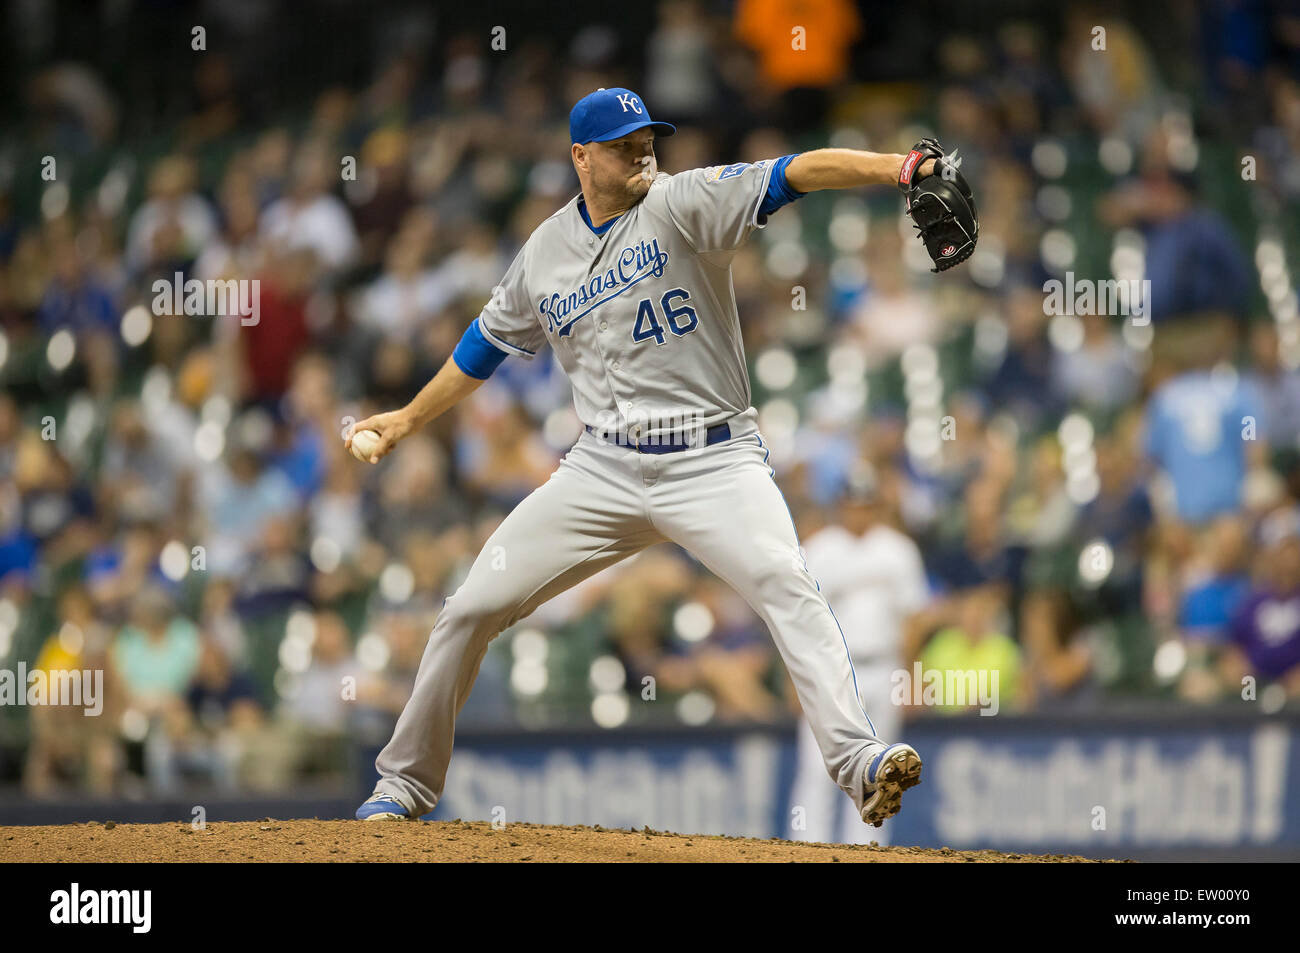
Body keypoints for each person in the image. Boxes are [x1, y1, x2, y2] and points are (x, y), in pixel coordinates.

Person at [349, 87, 946, 829]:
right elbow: (482, 346)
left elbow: (795, 172)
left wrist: (898, 166)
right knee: (470, 606)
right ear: (580, 156)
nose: (642, 150)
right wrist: (406, 418)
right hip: (601, 469)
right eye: (623, 142)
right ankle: (401, 787)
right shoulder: (544, 252)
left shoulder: (684, 202)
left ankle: (856, 759)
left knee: (786, 582)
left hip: (714, 459)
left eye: (647, 138)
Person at [789, 464, 930, 845]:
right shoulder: (820, 548)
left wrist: (912, 677)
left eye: (865, 503)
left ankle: (868, 850)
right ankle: (807, 850)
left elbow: (914, 619)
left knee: (883, 773)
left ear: (875, 506)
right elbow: (797, 622)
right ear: (840, 505)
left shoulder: (898, 549)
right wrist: (794, 679)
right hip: (830, 673)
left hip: (884, 667)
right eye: (852, 503)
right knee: (818, 767)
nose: (858, 510)